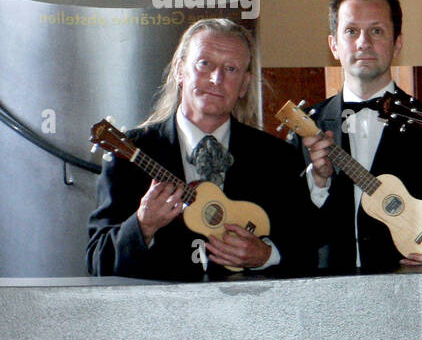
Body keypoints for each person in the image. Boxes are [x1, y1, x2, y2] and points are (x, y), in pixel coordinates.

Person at [88, 18, 314, 280]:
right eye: (204, 63)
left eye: (231, 69)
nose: (216, 79)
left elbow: (307, 255)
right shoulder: (130, 153)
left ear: (244, 84)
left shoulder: (277, 158)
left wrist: (266, 256)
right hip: (160, 317)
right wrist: (142, 225)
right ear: (180, 70)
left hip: (250, 317)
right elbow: (97, 263)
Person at [297, 0, 422, 270]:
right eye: (351, 31)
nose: (363, 42)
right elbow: (291, 233)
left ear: (397, 43)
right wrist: (317, 183)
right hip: (329, 301)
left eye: (377, 30)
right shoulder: (306, 131)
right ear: (333, 45)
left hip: (415, 298)